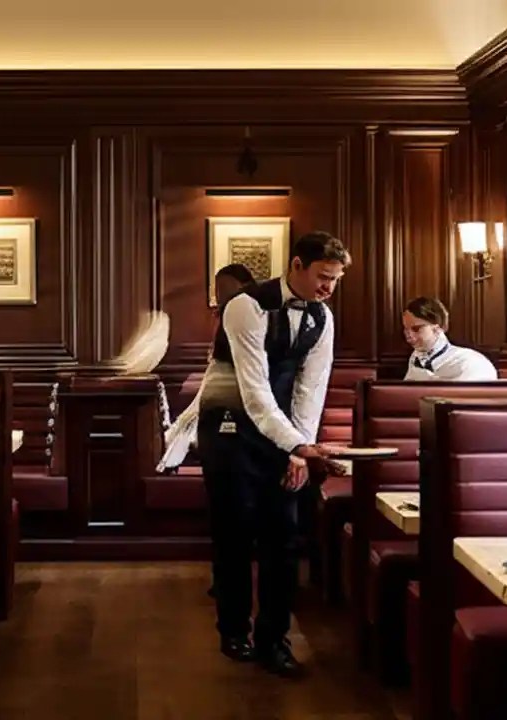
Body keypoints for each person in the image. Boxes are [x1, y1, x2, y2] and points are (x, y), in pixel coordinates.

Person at [195, 231, 350, 678]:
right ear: (297, 265)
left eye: (336, 280)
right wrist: (298, 443)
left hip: (282, 434)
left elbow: (310, 389)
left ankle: (274, 639)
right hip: (229, 431)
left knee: (283, 539)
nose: (328, 288)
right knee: (235, 537)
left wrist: (300, 453)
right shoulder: (246, 306)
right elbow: (254, 390)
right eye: (323, 277)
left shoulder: (323, 317)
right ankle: (233, 632)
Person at [157, 263, 256, 473]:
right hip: (218, 380)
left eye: (227, 288)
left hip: (242, 383)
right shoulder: (222, 317)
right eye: (218, 290)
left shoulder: (254, 314)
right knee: (191, 420)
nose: (221, 295)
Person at [401, 296, 498, 381]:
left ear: (437, 328)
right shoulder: (416, 357)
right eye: (406, 329)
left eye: (416, 329)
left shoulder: (470, 362)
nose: (408, 335)